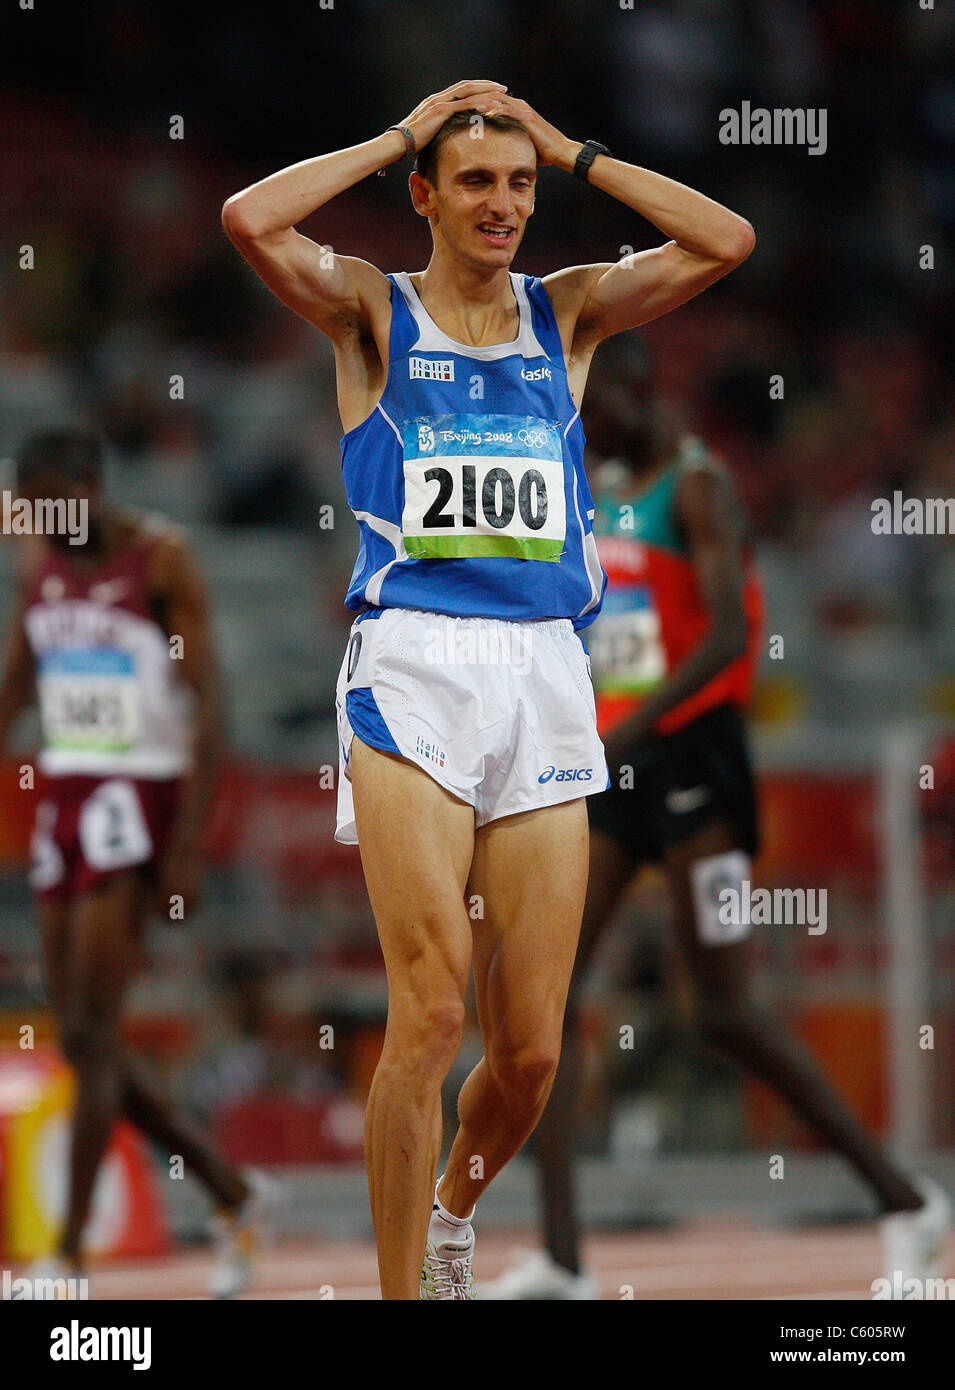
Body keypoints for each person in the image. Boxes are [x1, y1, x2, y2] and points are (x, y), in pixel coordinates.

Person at [222, 79, 755, 1300]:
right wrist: (402, 131)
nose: (503, 202)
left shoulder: (564, 317)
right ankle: (401, 1292)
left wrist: (577, 152)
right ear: (426, 195)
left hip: (544, 679)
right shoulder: (370, 311)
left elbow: (726, 241)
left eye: (517, 184)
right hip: (415, 663)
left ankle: (456, 1212)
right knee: (427, 1013)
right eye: (476, 180)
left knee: (525, 1056)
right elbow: (251, 221)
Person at [479, 334, 952, 1299]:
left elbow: (733, 641)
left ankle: (906, 1201)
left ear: (639, 391)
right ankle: (563, 1257)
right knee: (547, 1001)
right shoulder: (598, 486)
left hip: (698, 766)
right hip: (613, 770)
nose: (585, 426)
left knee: (722, 1011)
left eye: (596, 407)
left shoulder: (698, 489)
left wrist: (630, 729)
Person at [0, 426, 275, 1298]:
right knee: (85, 1039)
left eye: (60, 502)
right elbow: (21, 675)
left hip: (139, 797)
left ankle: (68, 1257)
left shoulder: (164, 562)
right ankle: (230, 1188)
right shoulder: (37, 562)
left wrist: (188, 844)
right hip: (68, 794)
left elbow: (213, 711)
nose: (47, 522)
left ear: (92, 483)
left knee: (94, 1030)